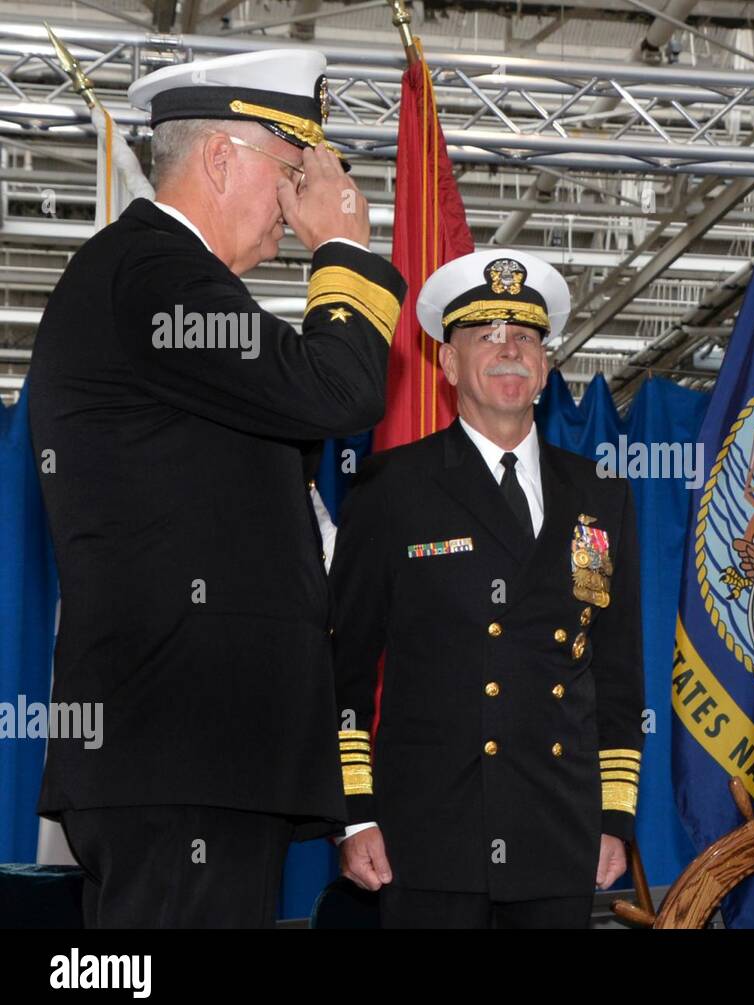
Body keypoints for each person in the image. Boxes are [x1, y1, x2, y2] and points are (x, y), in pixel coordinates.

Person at [27, 49, 406, 928]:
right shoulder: (152, 275)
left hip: (201, 758)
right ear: (221, 158)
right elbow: (339, 392)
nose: (296, 198)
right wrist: (344, 244)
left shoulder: (163, 281)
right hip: (179, 754)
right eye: (291, 169)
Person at [330, 248, 645, 929]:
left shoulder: (601, 494)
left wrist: (614, 817)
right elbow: (341, 669)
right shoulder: (393, 489)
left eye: (526, 337)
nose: (509, 352)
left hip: (557, 832)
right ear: (446, 363)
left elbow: (617, 676)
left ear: (545, 366)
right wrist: (356, 814)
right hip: (427, 838)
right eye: (486, 336)